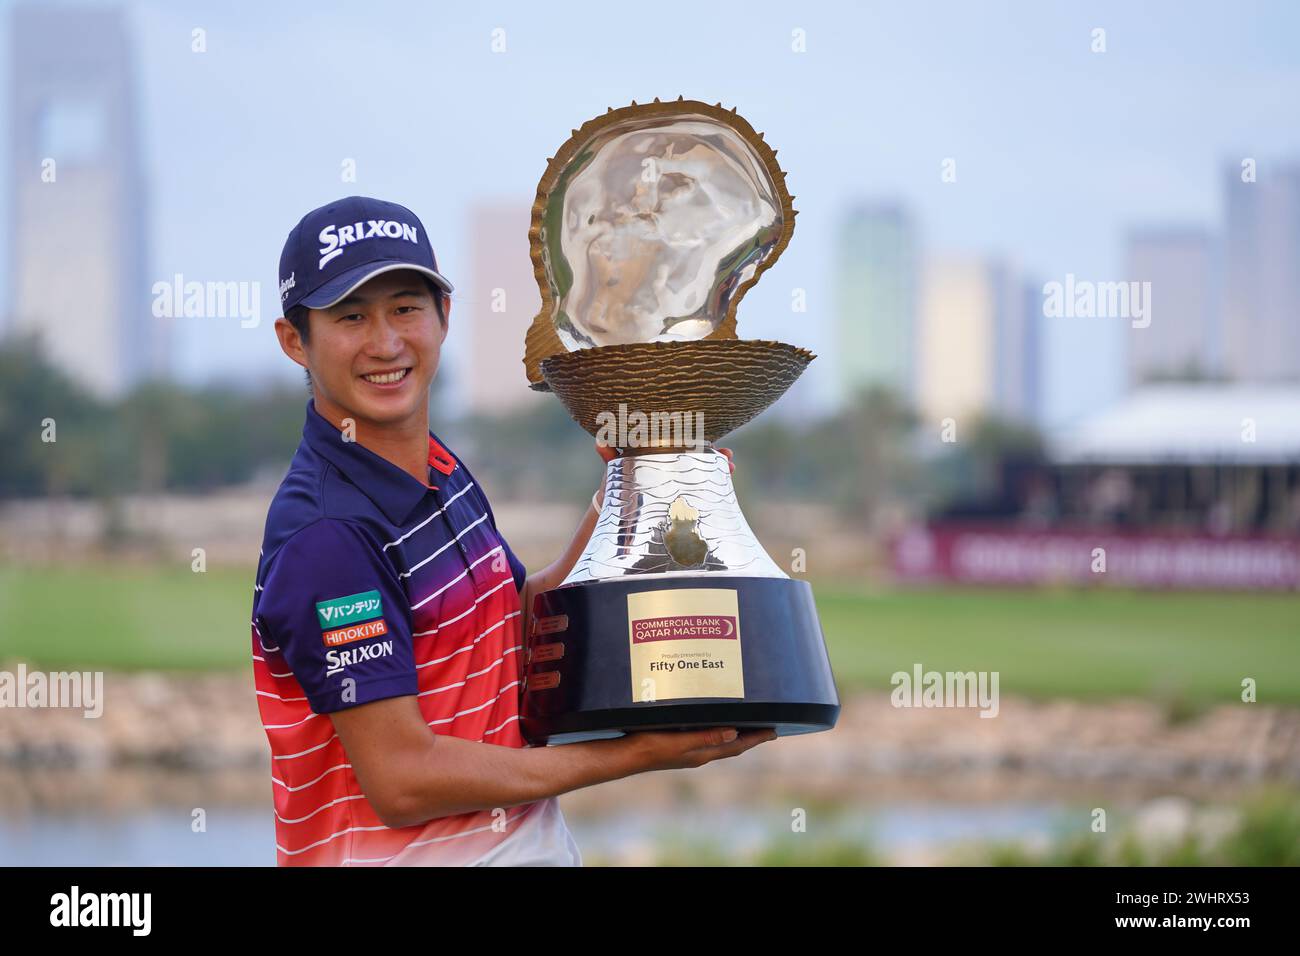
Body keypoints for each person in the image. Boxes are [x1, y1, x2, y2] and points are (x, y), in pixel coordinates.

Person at [251, 195, 773, 866]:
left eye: (406, 308)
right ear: (295, 340)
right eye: (351, 317)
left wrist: (626, 486)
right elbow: (403, 781)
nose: (385, 343)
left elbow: (513, 626)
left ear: (444, 317)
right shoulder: (328, 535)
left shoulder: (441, 471)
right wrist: (631, 755)